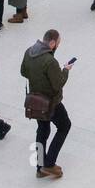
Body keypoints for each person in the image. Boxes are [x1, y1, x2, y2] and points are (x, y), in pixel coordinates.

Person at [21, 29, 72, 178]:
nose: (58, 46)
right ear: (52, 43)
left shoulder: (29, 52)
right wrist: (65, 70)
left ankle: (40, 166)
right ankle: (49, 164)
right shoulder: (50, 61)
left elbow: (23, 71)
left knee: (42, 130)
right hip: (51, 102)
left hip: (35, 101)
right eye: (58, 44)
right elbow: (58, 84)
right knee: (64, 126)